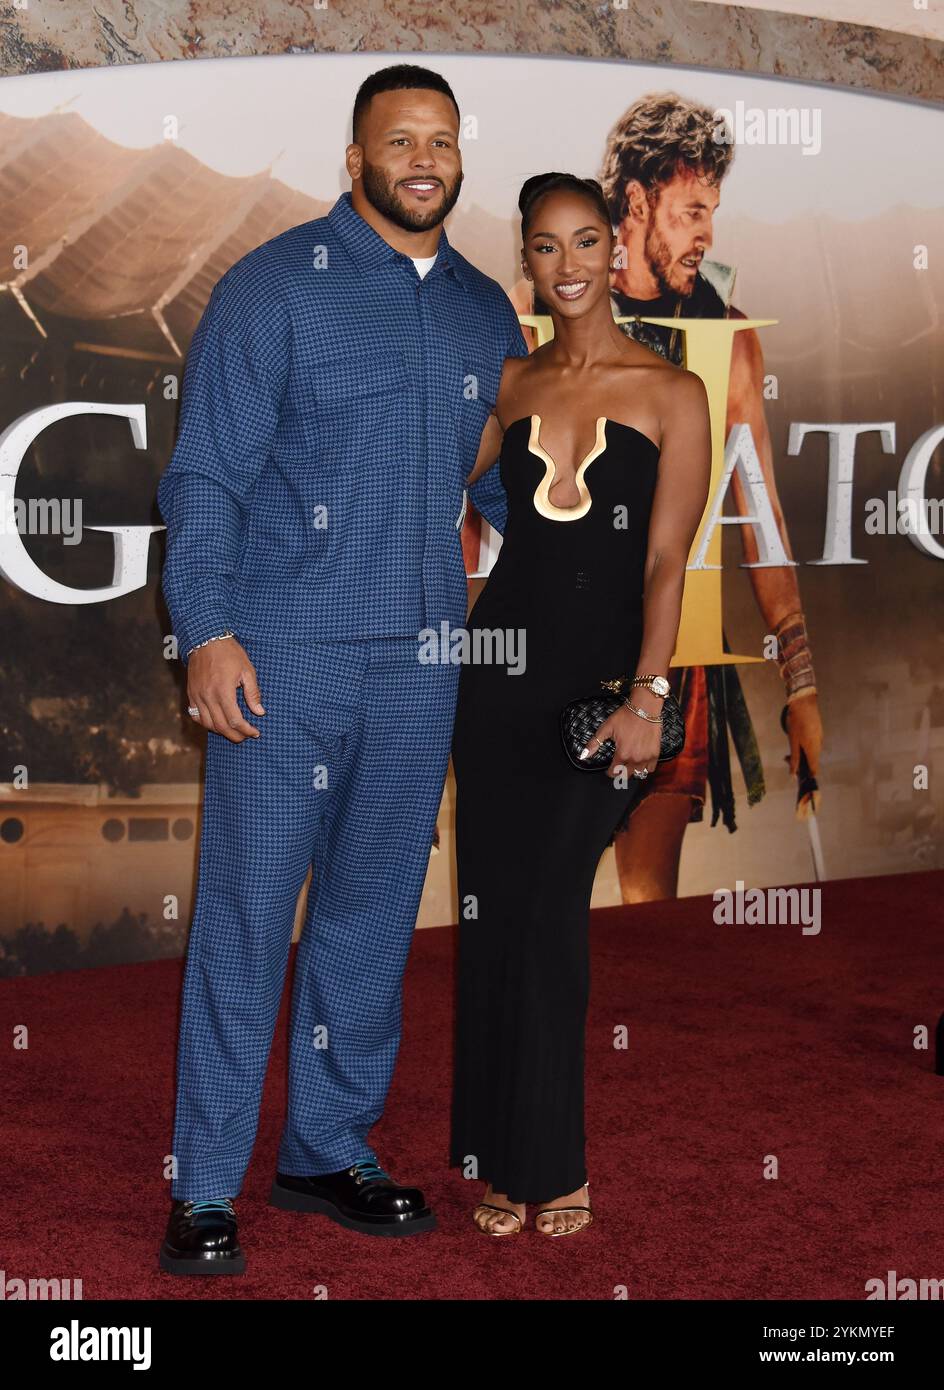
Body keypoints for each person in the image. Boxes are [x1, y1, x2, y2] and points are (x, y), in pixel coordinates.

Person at [155, 64, 528, 1275]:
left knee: (367, 922)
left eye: (440, 140)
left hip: (422, 663)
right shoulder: (272, 287)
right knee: (248, 923)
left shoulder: (484, 310)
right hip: (281, 656)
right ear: (355, 156)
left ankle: (323, 1148)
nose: (423, 159)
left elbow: (497, 486)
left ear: (459, 156)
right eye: (398, 139)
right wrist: (206, 629)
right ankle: (204, 1184)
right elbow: (204, 474)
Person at [449, 172, 711, 1236]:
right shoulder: (506, 384)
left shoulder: (672, 392)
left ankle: (552, 1160)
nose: (565, 266)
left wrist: (648, 693)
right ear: (527, 260)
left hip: (607, 691)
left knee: (549, 911)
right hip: (499, 680)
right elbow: (429, 489)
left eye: (584, 242)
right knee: (494, 913)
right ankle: (496, 1156)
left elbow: (663, 563)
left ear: (616, 248)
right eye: (544, 248)